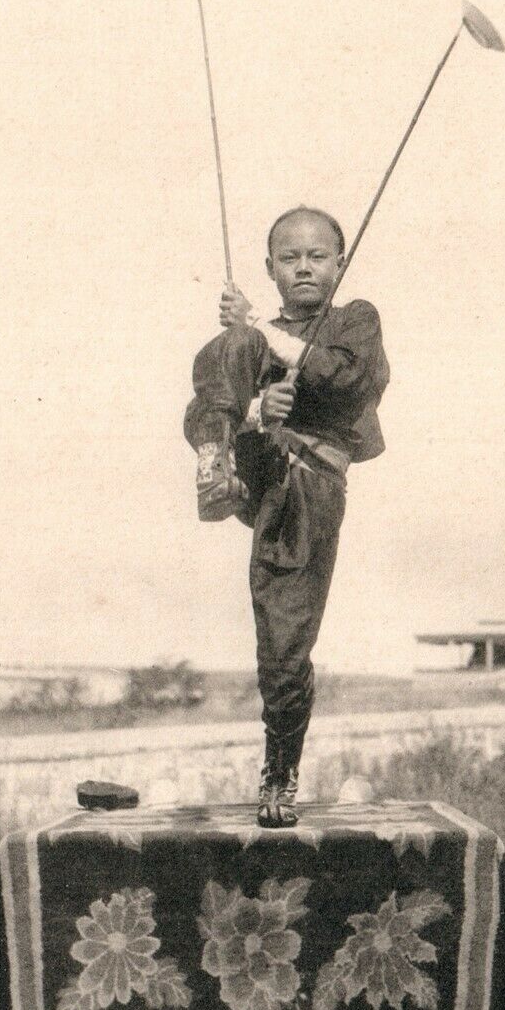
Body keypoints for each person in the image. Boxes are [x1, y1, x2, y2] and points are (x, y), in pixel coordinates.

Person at [184, 206, 390, 828]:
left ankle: (280, 769)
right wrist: (252, 410)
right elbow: (194, 409)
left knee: (282, 642)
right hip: (257, 464)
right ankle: (218, 469)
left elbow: (343, 380)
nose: (304, 266)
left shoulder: (356, 321)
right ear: (270, 268)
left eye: (318, 255)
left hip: (307, 488)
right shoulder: (254, 336)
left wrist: (260, 338)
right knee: (232, 348)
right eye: (290, 257)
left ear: (340, 263)